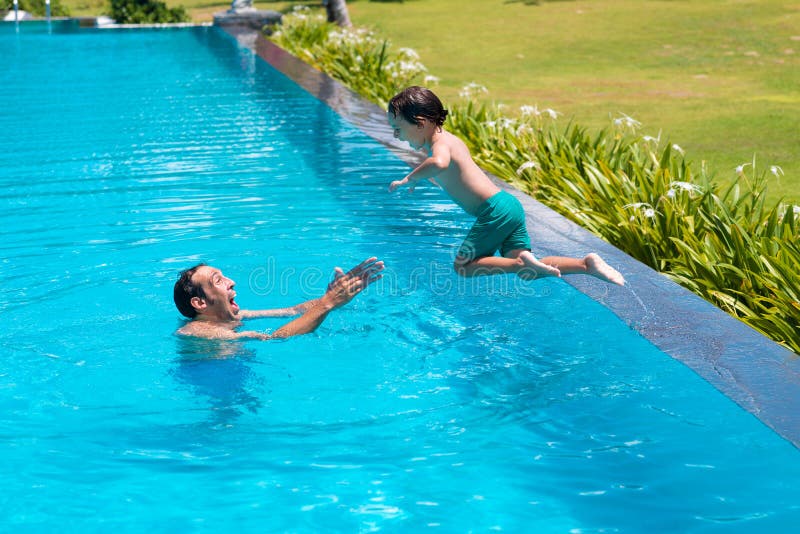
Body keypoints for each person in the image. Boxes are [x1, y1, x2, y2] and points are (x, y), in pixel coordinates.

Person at [387, 86, 625, 285]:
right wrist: (421, 177)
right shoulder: (448, 141)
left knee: (464, 267)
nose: (396, 136)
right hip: (508, 206)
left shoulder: (440, 145)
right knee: (528, 269)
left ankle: (522, 263)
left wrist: (410, 178)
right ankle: (586, 265)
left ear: (420, 123)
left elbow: (439, 163)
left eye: (398, 129)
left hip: (494, 210)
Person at [173, 257, 384, 340]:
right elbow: (275, 338)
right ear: (200, 303)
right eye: (218, 280)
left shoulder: (235, 316)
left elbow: (293, 311)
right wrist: (328, 303)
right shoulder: (197, 331)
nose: (232, 282)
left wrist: (336, 295)